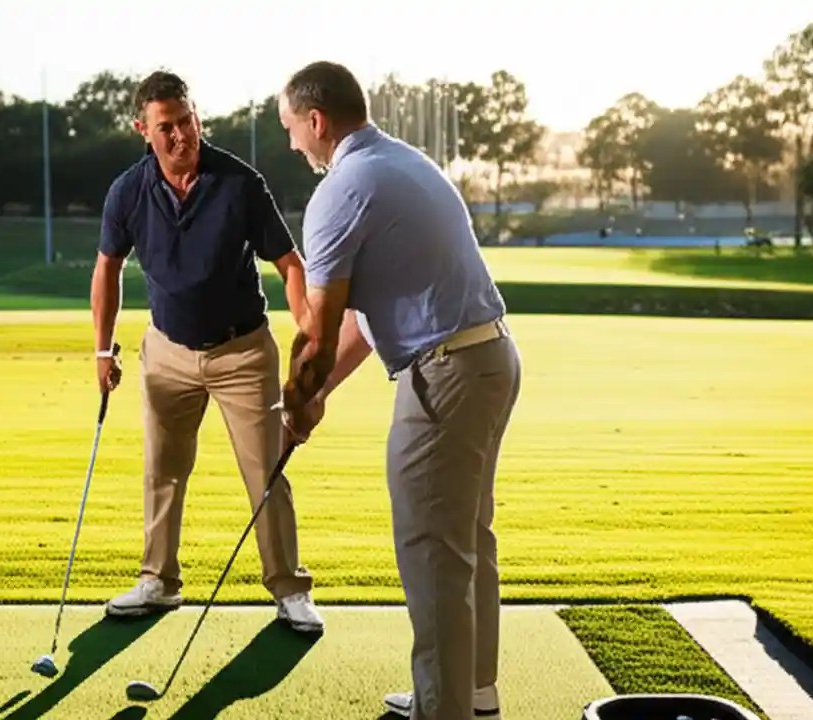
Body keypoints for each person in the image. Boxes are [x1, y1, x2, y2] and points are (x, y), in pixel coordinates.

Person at [276, 61, 522, 718]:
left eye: (291, 128)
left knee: (431, 547)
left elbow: (317, 333)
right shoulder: (400, 162)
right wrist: (317, 394)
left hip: (445, 372)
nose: (293, 143)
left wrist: (293, 407)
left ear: (316, 120)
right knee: (466, 535)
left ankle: (444, 710)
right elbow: (360, 317)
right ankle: (472, 694)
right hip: (490, 356)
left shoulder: (340, 190)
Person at [90, 70, 323, 633]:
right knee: (162, 469)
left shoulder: (239, 182)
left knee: (265, 471)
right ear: (142, 129)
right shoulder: (127, 191)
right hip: (166, 352)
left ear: (198, 119)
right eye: (166, 126)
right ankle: (158, 582)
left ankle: (290, 590)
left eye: (187, 121)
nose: (180, 136)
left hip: (241, 351)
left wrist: (310, 328)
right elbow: (108, 268)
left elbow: (288, 263)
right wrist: (103, 350)